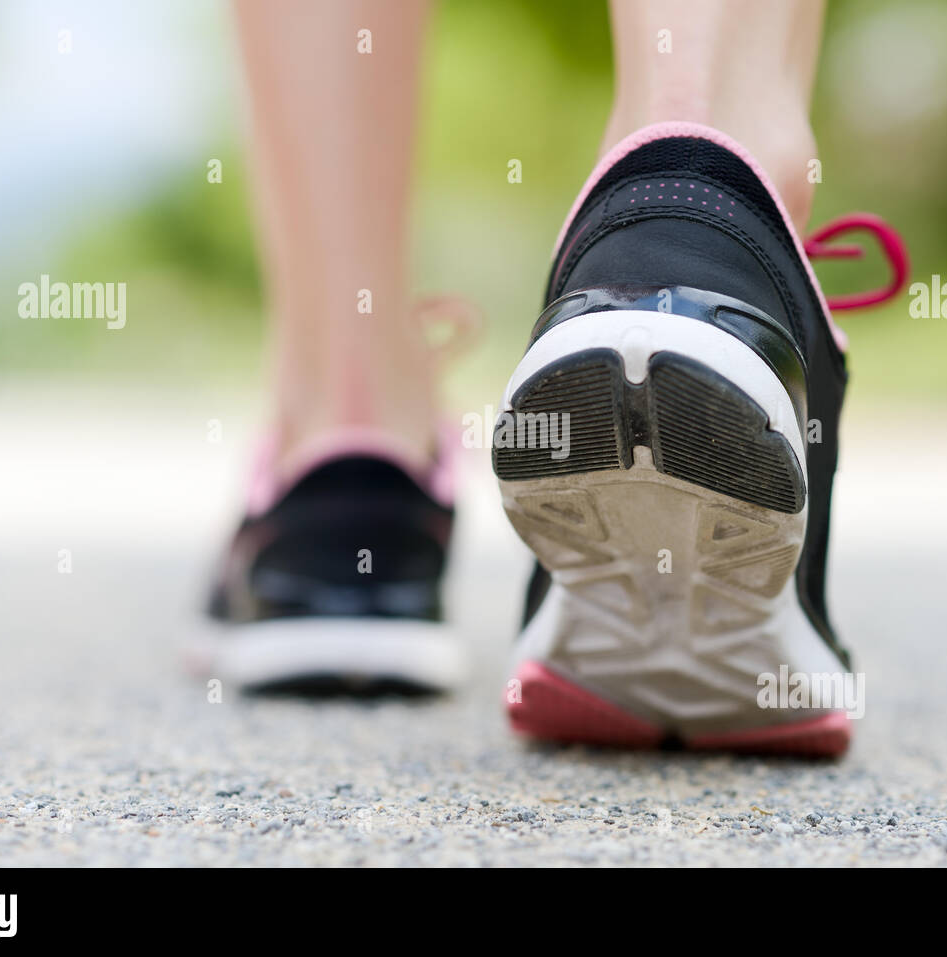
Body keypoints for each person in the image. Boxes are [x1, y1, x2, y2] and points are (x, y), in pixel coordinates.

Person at [204, 0, 907, 755]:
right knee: (706, 134)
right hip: (721, 251)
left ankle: (344, 449)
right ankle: (713, 210)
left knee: (345, 394)